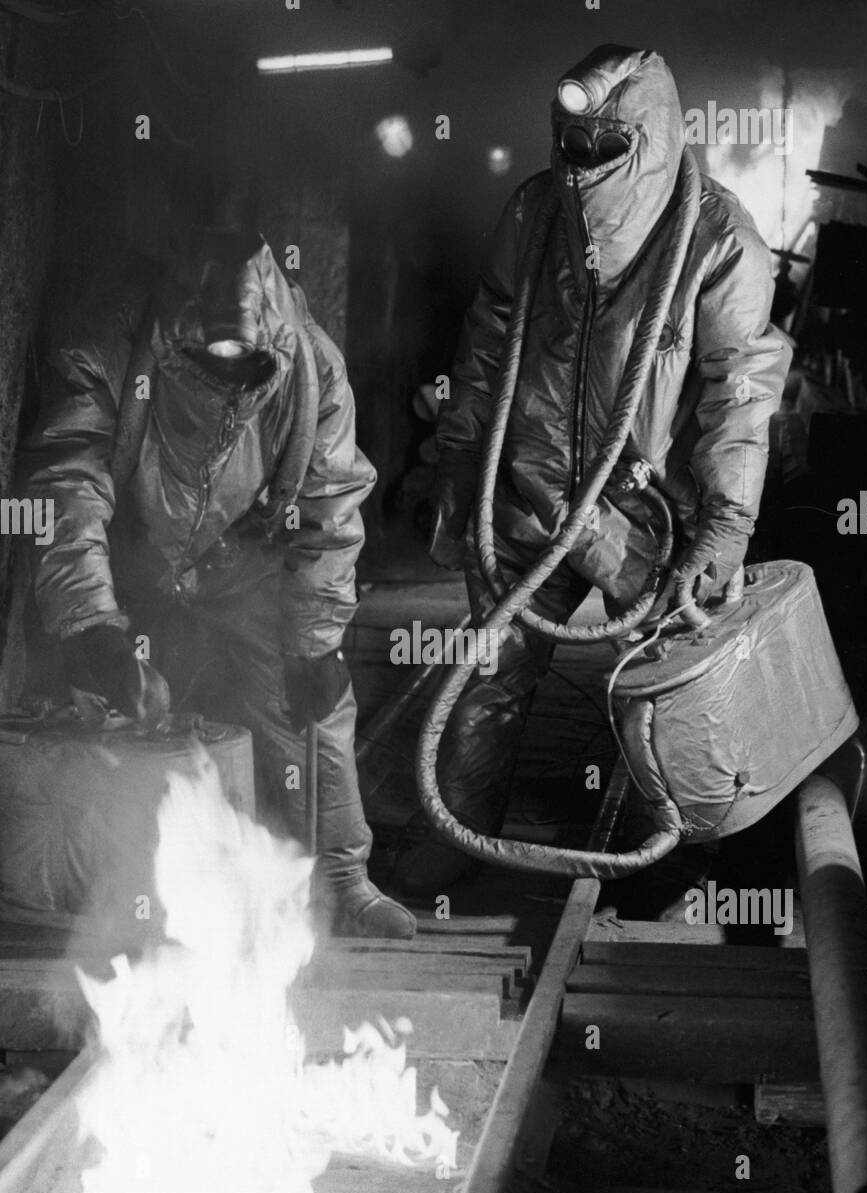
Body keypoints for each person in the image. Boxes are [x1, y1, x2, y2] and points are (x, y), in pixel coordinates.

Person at [395, 44, 792, 895]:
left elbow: (741, 392)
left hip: (647, 518)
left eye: (599, 150)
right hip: (531, 489)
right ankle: (460, 845)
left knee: (667, 694)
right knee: (492, 672)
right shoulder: (534, 212)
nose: (579, 167)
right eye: (568, 145)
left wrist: (724, 528)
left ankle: (677, 858)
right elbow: (490, 334)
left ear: (646, 141)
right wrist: (462, 459)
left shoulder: (719, 237)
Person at [19, 227, 416, 938]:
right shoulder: (107, 350)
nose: (227, 376)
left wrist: (316, 641)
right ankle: (94, 901)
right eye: (206, 360)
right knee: (86, 718)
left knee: (311, 709)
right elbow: (67, 485)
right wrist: (92, 627)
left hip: (243, 567)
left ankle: (339, 881)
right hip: (129, 565)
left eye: (245, 361)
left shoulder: (311, 372)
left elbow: (329, 507)